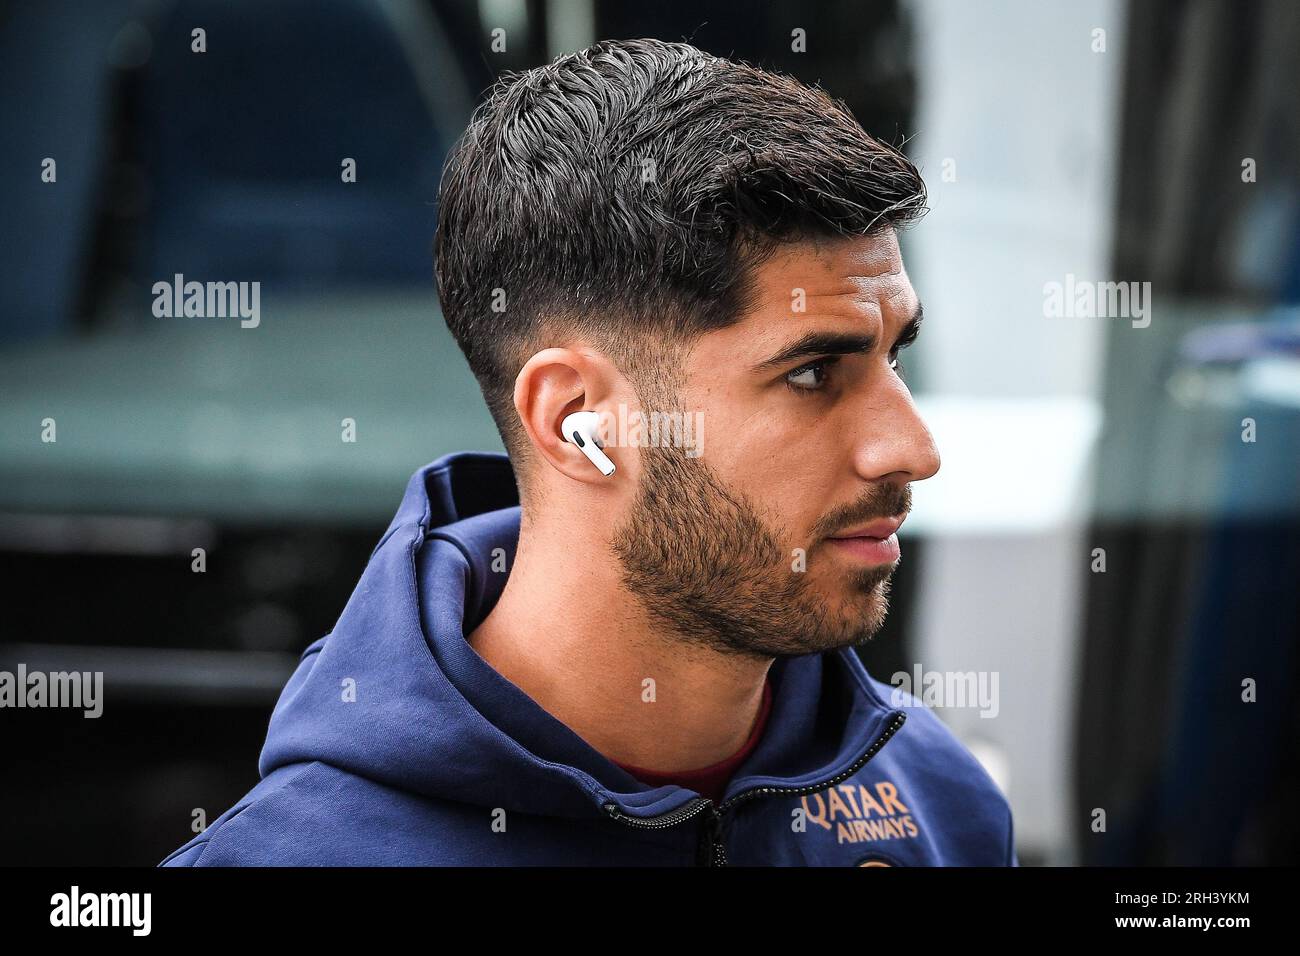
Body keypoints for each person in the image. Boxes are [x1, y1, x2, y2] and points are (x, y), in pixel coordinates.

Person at [162, 37, 1016, 866]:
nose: (911, 449)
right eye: (813, 372)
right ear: (580, 419)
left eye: (894, 353)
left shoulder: (938, 804)